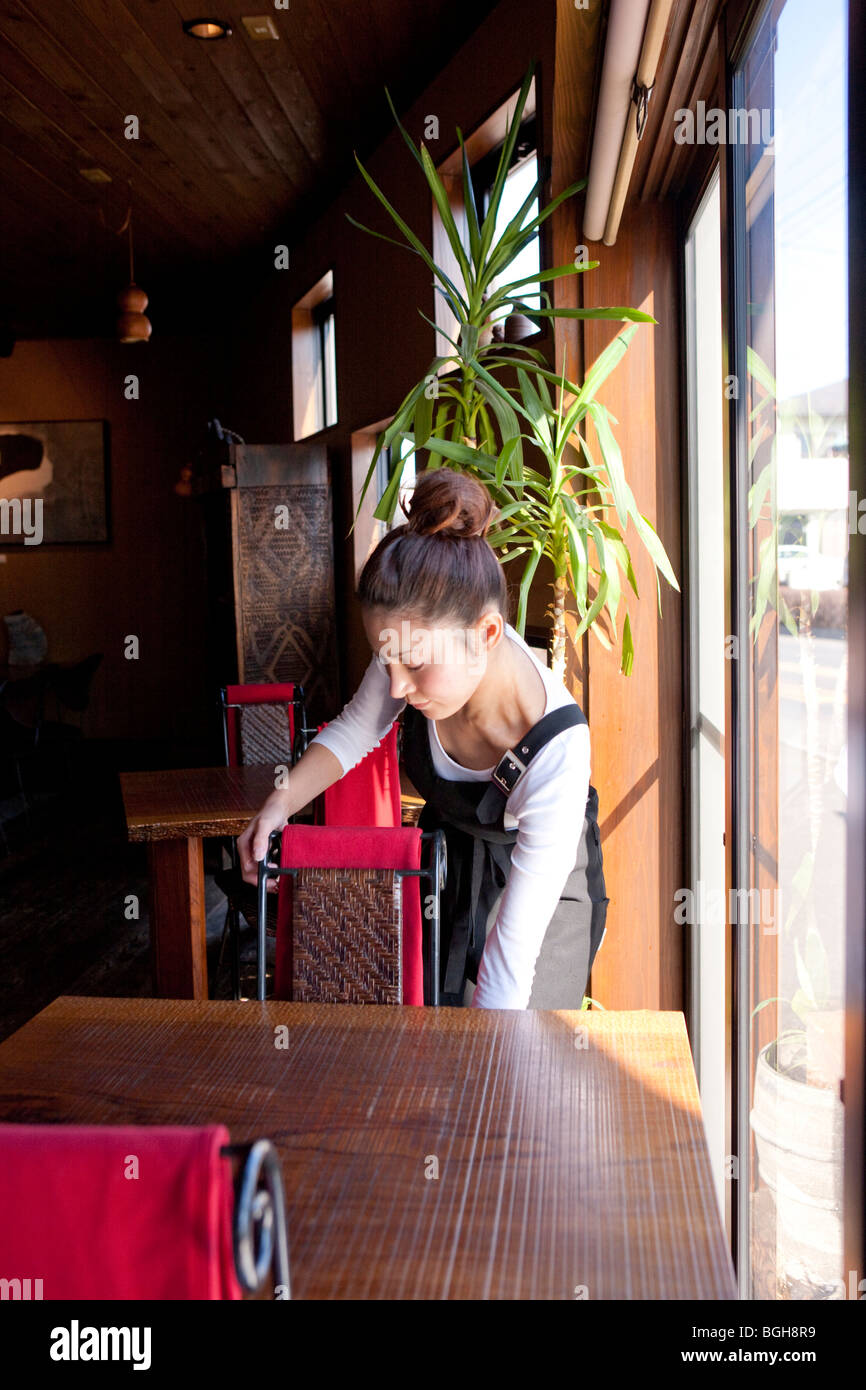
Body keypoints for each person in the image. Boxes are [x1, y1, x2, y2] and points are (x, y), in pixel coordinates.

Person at [238, 468, 608, 1009]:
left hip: (542, 896)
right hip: (451, 861)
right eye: (385, 660)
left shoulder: (557, 750)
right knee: (435, 1019)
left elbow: (509, 968)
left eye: (412, 665)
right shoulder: (415, 642)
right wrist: (279, 804)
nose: (396, 687)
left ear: (486, 633)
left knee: (518, 1039)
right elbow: (357, 728)